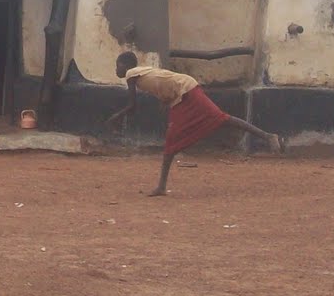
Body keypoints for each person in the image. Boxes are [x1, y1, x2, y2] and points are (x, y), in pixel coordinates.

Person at [106, 52, 283, 195]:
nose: (116, 69)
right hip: (181, 96)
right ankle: (161, 186)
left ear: (126, 65)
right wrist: (164, 102)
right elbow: (162, 83)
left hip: (187, 90)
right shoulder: (143, 72)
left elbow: (132, 105)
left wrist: (115, 117)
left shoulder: (131, 74)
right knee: (179, 137)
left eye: (117, 65)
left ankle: (268, 136)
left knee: (221, 119)